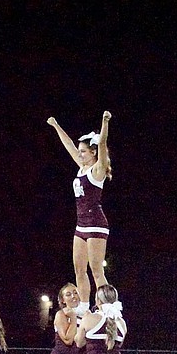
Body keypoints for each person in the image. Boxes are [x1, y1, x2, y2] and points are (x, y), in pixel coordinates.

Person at [47, 112, 113, 315]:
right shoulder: (81, 168)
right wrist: (56, 125)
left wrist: (104, 122)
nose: (80, 154)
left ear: (93, 153)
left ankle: (108, 308)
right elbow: (69, 146)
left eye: (84, 151)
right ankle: (84, 307)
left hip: (95, 224)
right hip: (81, 224)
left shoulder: (98, 170)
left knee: (96, 270)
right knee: (79, 269)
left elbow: (102, 144)